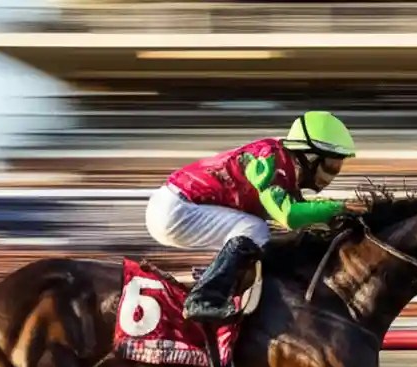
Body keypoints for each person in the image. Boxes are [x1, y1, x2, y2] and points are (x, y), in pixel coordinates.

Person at [145, 110, 362, 324]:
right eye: (332, 166)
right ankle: (203, 298)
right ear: (310, 157)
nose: (334, 175)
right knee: (255, 228)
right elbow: (289, 215)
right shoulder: (270, 161)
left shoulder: (285, 166)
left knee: (263, 235)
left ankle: (219, 281)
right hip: (174, 210)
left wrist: (344, 217)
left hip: (180, 206)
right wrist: (339, 207)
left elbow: (303, 216)